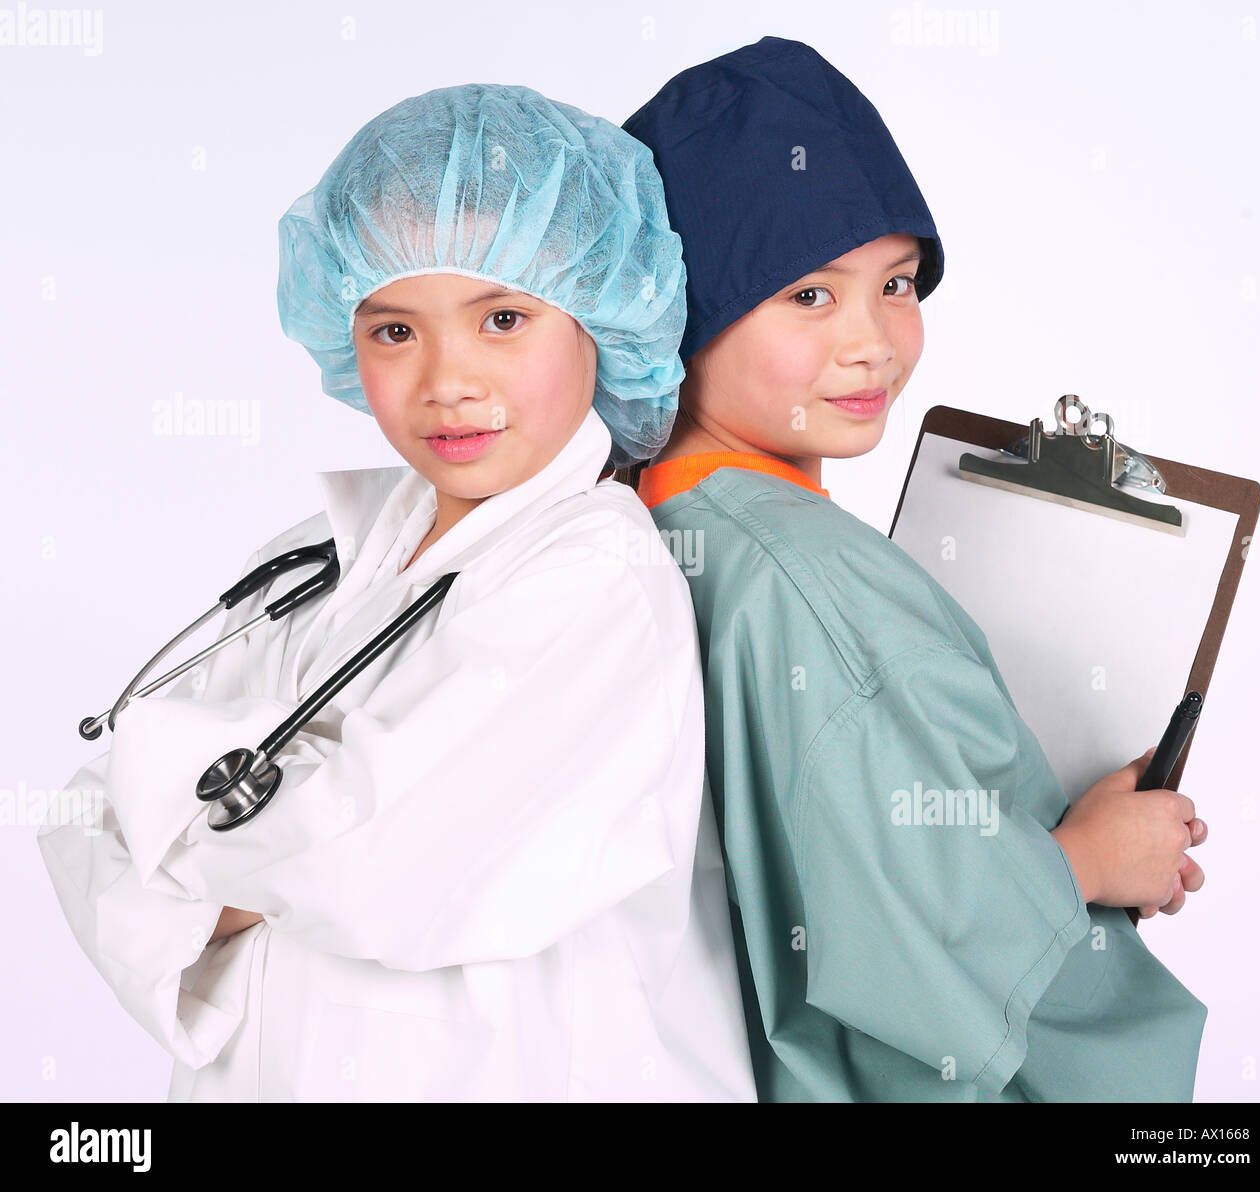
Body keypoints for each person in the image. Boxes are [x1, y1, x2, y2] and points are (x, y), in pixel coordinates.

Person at [37, 82, 756, 1103]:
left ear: (604, 314)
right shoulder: (320, 553)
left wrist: (184, 844)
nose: (446, 379)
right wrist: (255, 835)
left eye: (501, 317)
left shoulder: (597, 581)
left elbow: (371, 866)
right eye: (392, 331)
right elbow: (81, 818)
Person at [619, 35, 1208, 1101]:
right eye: (808, 295)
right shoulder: (811, 583)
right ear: (679, 310)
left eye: (895, 284)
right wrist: (1083, 864)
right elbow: (905, 929)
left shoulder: (660, 529)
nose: (873, 343)